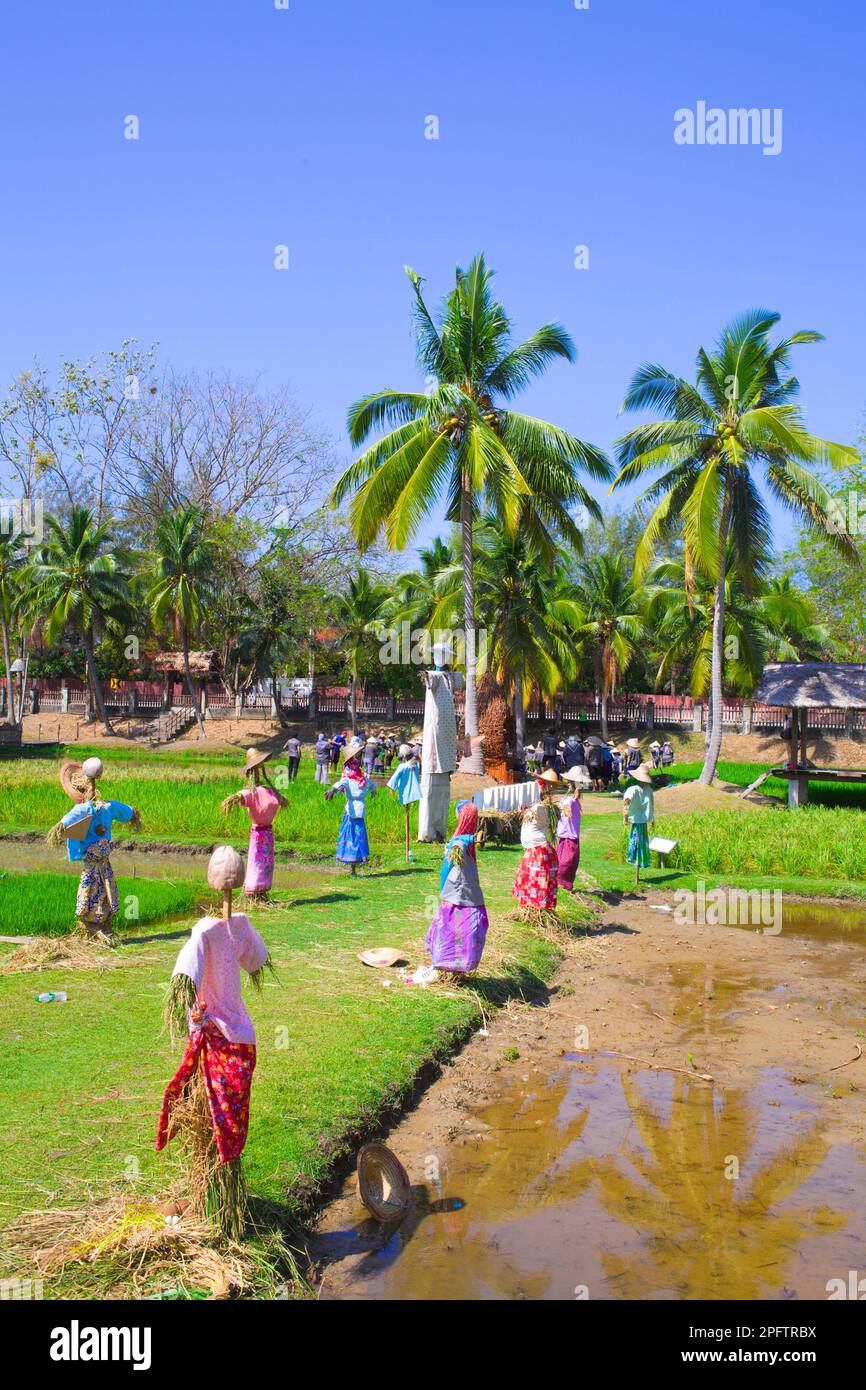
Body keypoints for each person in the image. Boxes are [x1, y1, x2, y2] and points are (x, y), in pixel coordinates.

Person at [48, 756, 141, 937]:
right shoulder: (107, 807)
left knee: (91, 890)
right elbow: (127, 812)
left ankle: (93, 930)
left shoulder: (83, 809)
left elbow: (62, 825)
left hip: (92, 863)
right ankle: (103, 928)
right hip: (104, 862)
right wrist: (134, 816)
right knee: (105, 889)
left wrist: (57, 832)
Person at [426, 801, 489, 975]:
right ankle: (453, 968)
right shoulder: (463, 841)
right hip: (465, 893)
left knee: (451, 928)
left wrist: (442, 890)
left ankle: (450, 965)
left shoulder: (459, 843)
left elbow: (448, 866)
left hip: (456, 895)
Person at [221, 748, 287, 899]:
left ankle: (262, 892)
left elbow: (281, 800)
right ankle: (254, 893)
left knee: (266, 862)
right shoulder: (251, 793)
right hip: (259, 834)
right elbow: (240, 796)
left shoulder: (268, 791)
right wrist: (233, 799)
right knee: (257, 861)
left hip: (267, 834)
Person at [325, 737, 377, 874]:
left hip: (359, 810)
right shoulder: (349, 777)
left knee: (358, 836)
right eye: (355, 760)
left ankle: (356, 865)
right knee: (352, 836)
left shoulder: (360, 777)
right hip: (351, 811)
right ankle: (352, 865)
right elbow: (341, 783)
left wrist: (373, 790)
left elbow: (370, 784)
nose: (357, 762)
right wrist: (332, 790)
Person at [513, 769, 559, 911]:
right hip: (540, 849)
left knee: (535, 880)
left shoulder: (540, 807)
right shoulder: (548, 807)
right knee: (536, 880)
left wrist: (526, 811)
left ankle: (535, 910)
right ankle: (535, 910)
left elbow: (535, 814)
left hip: (538, 851)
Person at [623, 762, 655, 885]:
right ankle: (637, 872)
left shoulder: (634, 789)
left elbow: (626, 801)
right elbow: (651, 805)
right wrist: (652, 821)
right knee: (640, 844)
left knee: (636, 844)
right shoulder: (647, 790)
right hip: (641, 822)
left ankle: (637, 874)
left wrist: (625, 816)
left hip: (638, 822)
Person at [556, 767, 586, 892]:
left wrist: (564, 809)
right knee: (568, 862)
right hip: (569, 836)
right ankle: (564, 884)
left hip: (569, 836)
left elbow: (567, 810)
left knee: (565, 863)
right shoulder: (574, 800)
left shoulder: (570, 800)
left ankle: (563, 884)